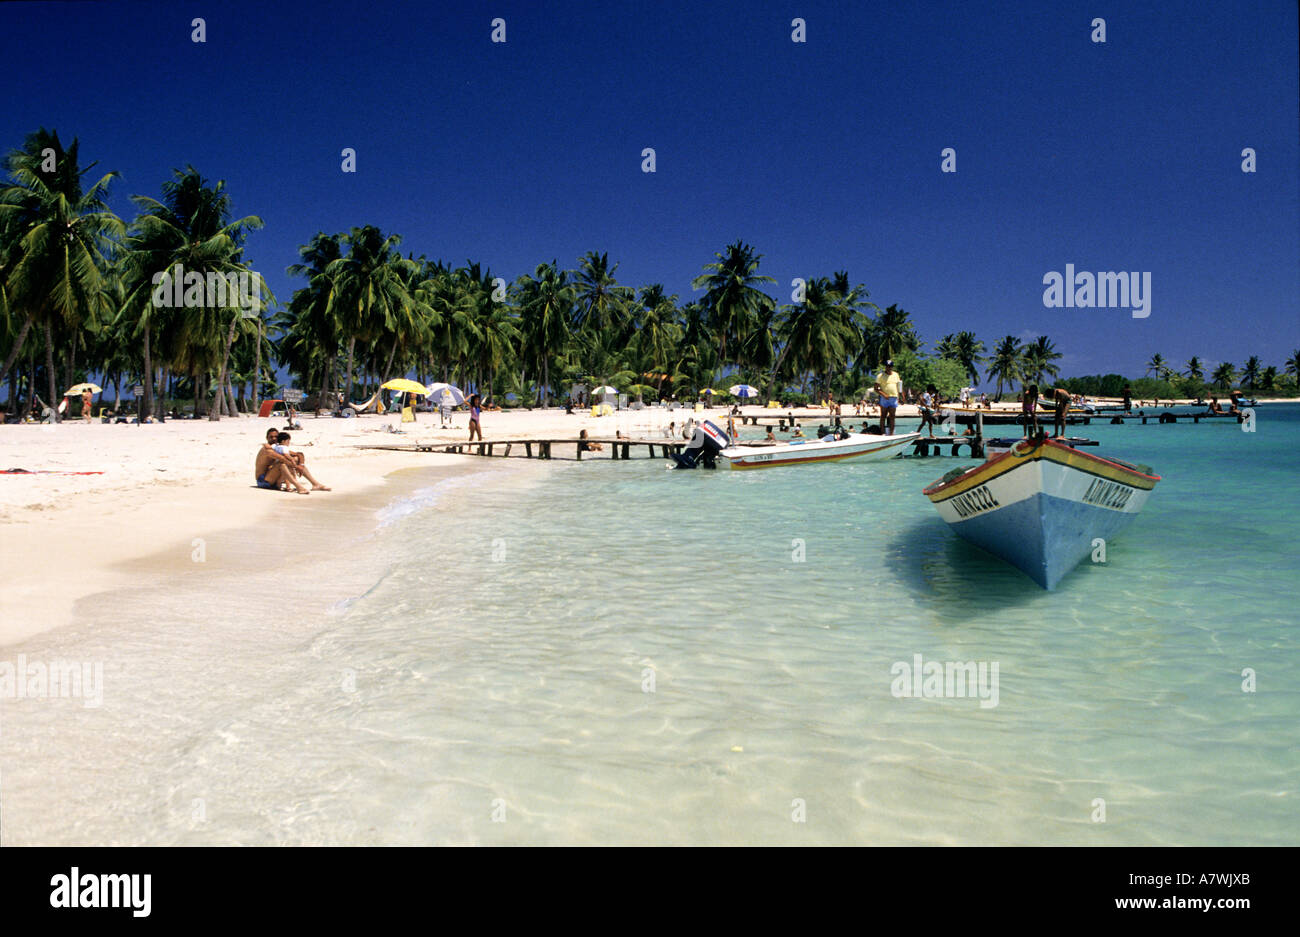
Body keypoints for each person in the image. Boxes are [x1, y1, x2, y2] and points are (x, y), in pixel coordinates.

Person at [874, 360, 901, 435]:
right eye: (887, 366)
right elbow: (876, 388)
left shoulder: (896, 374)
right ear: (885, 367)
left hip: (894, 398)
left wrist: (901, 396)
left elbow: (899, 386)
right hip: (884, 398)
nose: (888, 368)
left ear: (892, 367)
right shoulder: (880, 376)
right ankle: (882, 433)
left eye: (890, 366)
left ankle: (891, 434)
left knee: (892, 416)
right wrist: (883, 394)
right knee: (883, 416)